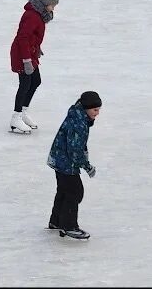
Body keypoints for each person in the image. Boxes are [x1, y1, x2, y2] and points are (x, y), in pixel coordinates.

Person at [47, 91, 101, 240]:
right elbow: (75, 149)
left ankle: (56, 221)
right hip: (65, 161)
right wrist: (87, 165)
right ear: (86, 108)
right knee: (75, 192)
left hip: (59, 158)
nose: (97, 113)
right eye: (95, 110)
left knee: (64, 191)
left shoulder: (78, 116)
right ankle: (69, 225)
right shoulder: (79, 123)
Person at [9, 0, 58, 134]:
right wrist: (26, 60)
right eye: (52, 5)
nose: (53, 8)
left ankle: (23, 112)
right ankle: (15, 118)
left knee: (36, 81)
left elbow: (32, 37)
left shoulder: (39, 15)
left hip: (30, 53)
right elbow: (23, 38)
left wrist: (37, 48)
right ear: (44, 3)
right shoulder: (32, 16)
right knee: (25, 84)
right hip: (22, 54)